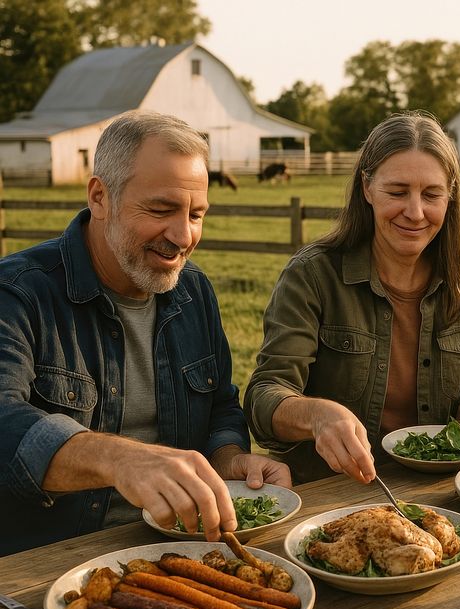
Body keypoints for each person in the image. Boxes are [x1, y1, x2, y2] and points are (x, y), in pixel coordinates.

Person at [0, 110, 290, 556]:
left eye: (197, 214)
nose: (182, 236)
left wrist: (230, 459)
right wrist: (118, 458)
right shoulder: (17, 293)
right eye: (160, 210)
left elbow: (220, 408)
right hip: (50, 562)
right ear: (100, 197)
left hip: (182, 552)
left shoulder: (195, 292)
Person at [244, 111, 460, 485]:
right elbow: (263, 397)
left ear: (451, 196)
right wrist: (318, 416)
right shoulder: (313, 275)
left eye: (431, 195)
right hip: (328, 491)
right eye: (397, 192)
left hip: (433, 489)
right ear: (367, 188)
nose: (414, 213)